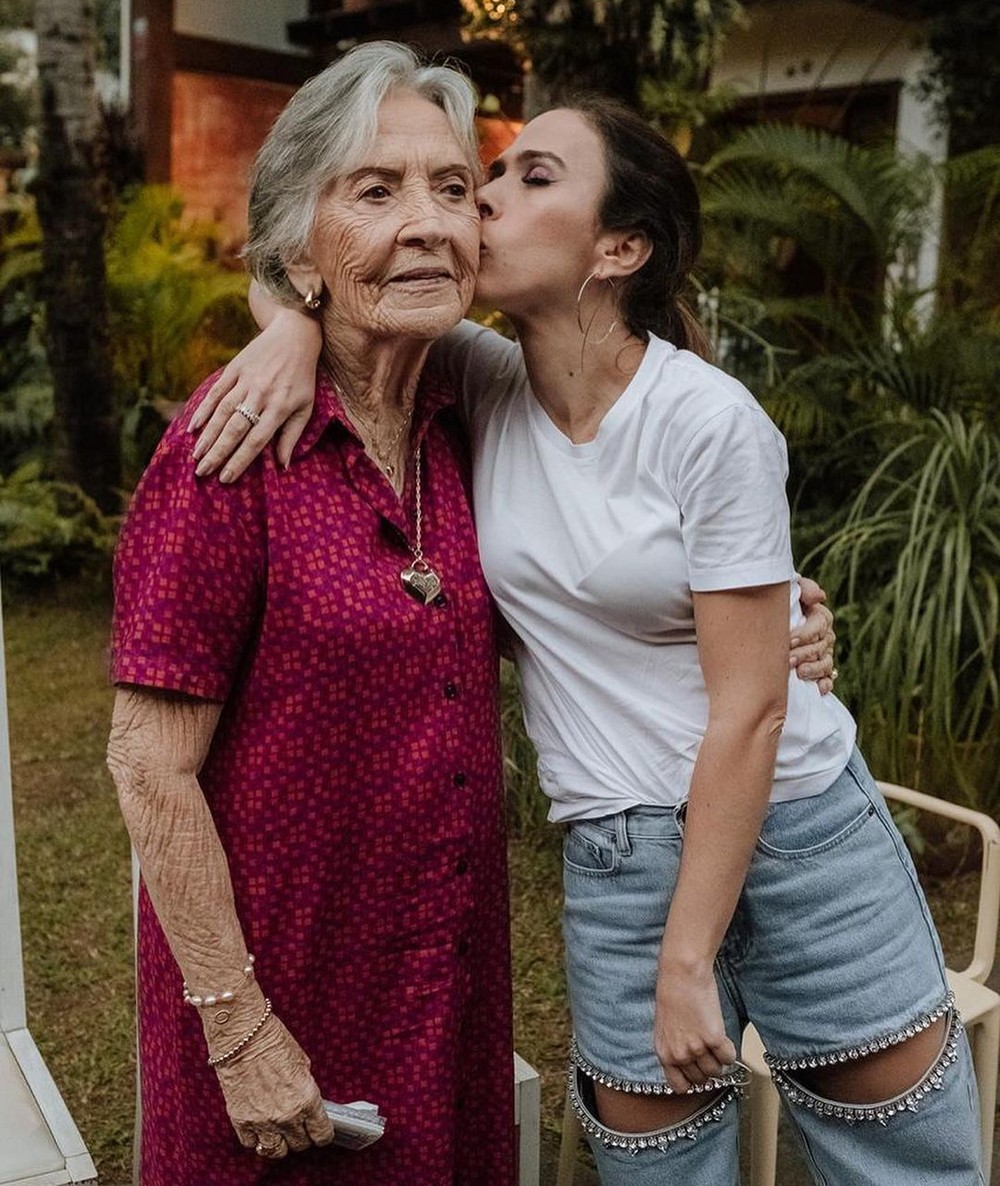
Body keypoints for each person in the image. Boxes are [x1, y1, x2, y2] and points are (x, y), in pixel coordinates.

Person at [191, 72, 985, 1186]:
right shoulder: (475, 377)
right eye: (492, 173)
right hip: (621, 850)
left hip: (800, 836)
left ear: (616, 250)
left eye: (529, 175)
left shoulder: (708, 420)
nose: (482, 200)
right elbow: (331, 276)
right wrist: (284, 332)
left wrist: (688, 953)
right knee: (659, 1171)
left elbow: (752, 705)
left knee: (901, 1165)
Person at [107, 41, 517, 1186]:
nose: (430, 221)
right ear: (300, 249)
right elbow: (146, 763)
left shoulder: (466, 416)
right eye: (375, 190)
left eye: (450, 187)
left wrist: (769, 606)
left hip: (442, 975)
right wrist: (238, 1029)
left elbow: (620, 543)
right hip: (283, 981)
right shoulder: (230, 446)